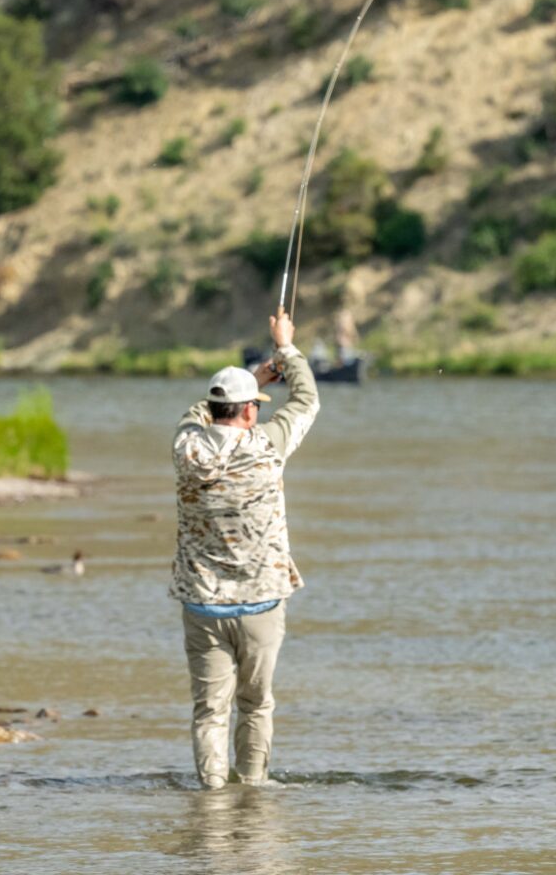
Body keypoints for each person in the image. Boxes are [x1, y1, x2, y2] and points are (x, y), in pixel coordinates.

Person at [170, 310, 319, 789]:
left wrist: (249, 381)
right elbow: (307, 399)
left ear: (214, 409)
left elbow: (198, 414)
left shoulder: (186, 447)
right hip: (261, 602)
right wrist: (286, 347)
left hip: (202, 603)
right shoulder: (268, 445)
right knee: (256, 703)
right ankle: (252, 789)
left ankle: (212, 796)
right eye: (254, 403)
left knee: (209, 710)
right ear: (252, 411)